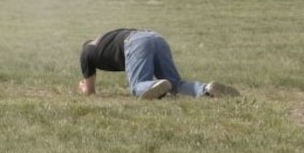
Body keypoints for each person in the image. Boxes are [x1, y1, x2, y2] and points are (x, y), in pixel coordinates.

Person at [78, 28, 240, 99]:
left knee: (138, 86)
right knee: (176, 84)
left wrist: (83, 87)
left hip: (134, 43)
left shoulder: (86, 52)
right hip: (155, 37)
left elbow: (90, 93)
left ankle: (153, 85)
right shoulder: (106, 39)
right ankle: (206, 89)